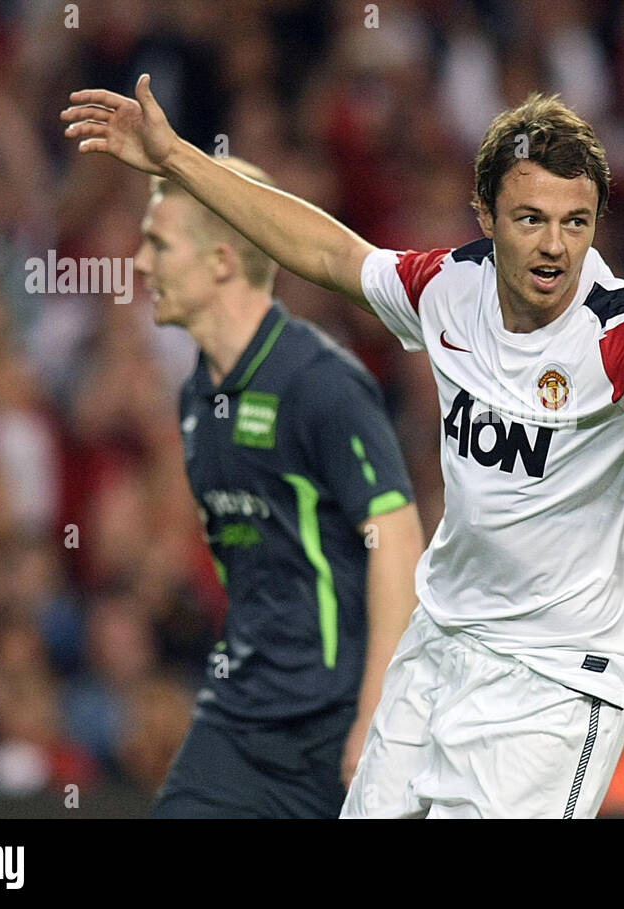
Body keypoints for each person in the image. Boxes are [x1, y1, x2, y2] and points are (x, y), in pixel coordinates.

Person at [62, 76, 624, 818]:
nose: (554, 245)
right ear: (486, 216)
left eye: (576, 222)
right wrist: (176, 159)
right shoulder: (448, 288)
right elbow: (329, 251)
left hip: (552, 685)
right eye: (531, 218)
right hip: (438, 647)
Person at [132, 154, 424, 818]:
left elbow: (398, 536)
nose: (141, 265)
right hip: (242, 718)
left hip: (337, 718)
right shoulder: (195, 398)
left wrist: (376, 709)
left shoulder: (319, 382)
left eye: (158, 243)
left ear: (223, 260)